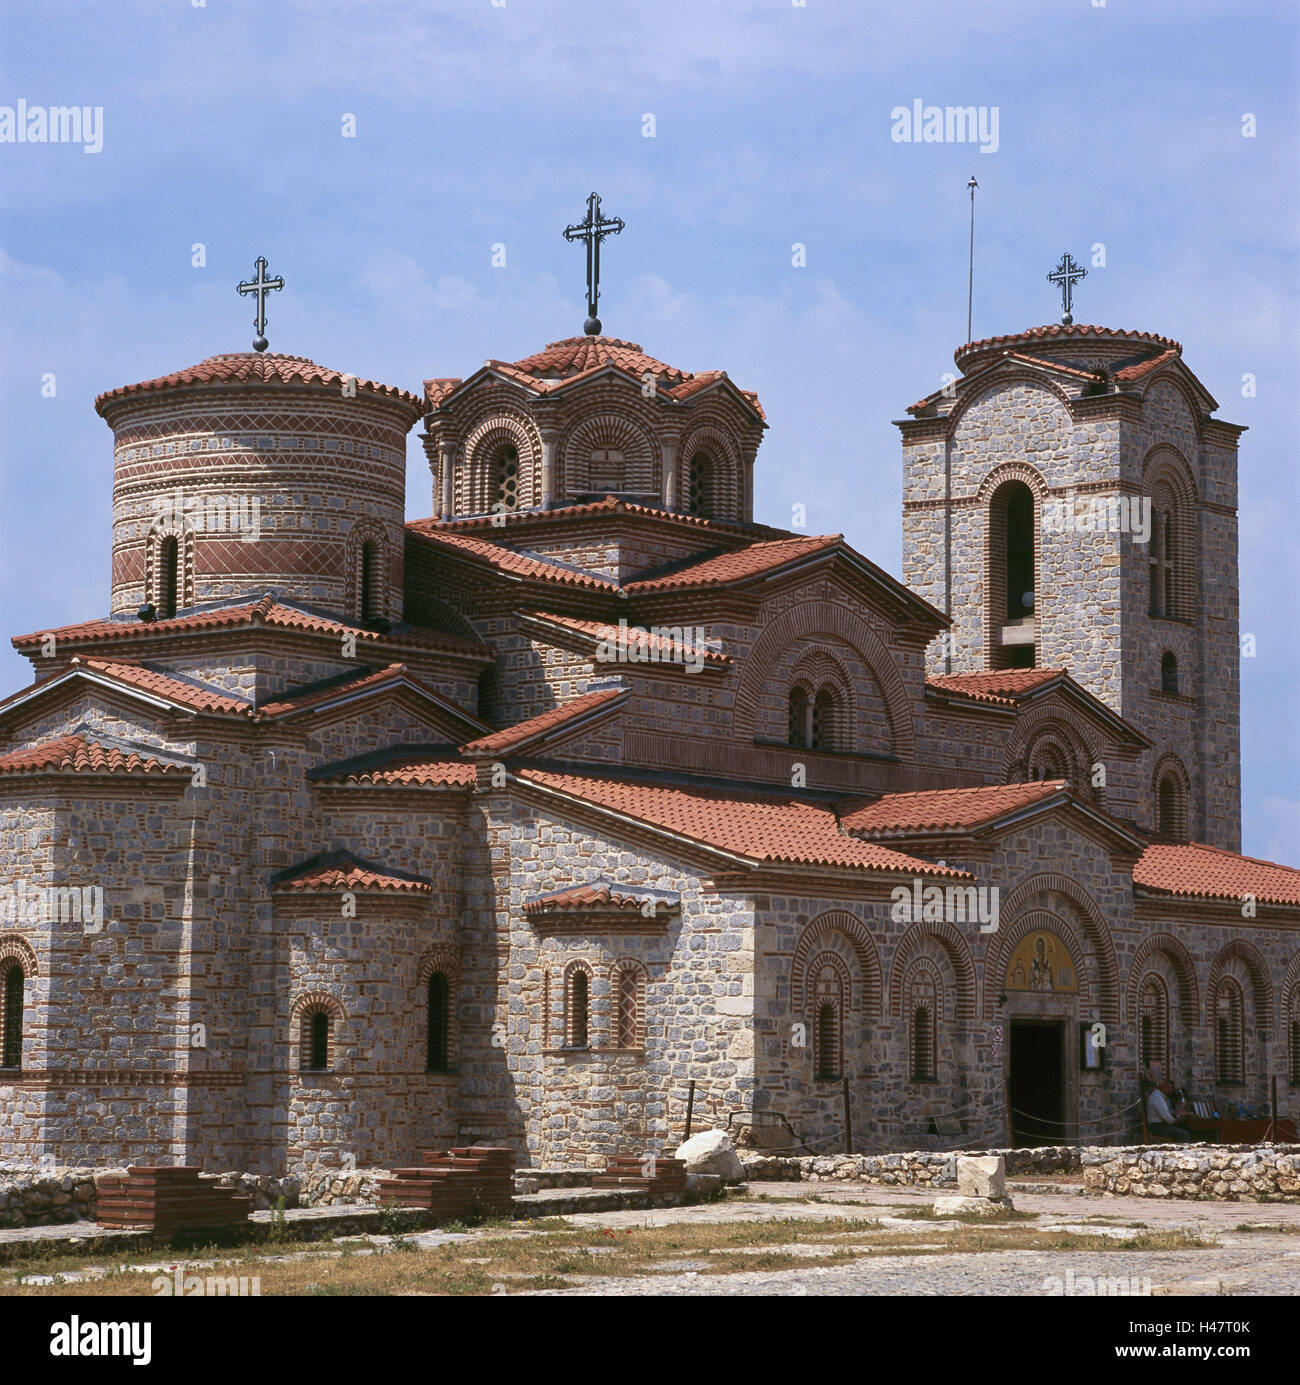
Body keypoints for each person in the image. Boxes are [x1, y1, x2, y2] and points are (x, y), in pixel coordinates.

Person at [1146, 1077, 1194, 1142]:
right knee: (1184, 1134)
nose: (1170, 1091)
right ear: (1161, 1086)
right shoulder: (1157, 1097)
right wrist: (1175, 1121)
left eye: (1171, 1088)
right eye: (1168, 1088)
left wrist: (1176, 1113)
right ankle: (1183, 1151)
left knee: (1186, 1126)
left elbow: (1165, 1112)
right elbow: (1165, 1116)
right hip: (1157, 1127)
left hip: (1160, 1125)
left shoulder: (1160, 1096)